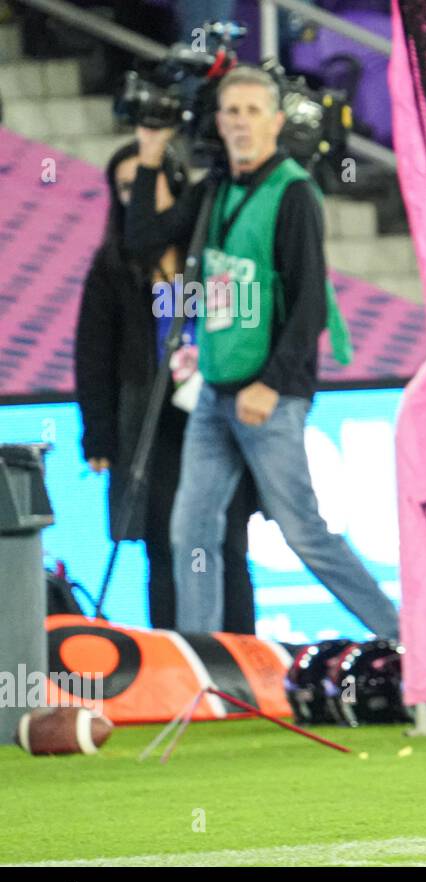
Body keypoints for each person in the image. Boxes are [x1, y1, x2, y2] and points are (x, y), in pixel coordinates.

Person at [124, 65, 398, 641]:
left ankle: (401, 639)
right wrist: (151, 153)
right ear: (218, 122)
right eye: (231, 112)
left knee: (303, 532)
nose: (241, 122)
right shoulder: (215, 190)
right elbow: (143, 241)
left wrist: (270, 384)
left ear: (275, 121)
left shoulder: (293, 191)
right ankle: (203, 662)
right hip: (216, 392)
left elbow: (308, 306)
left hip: (268, 395)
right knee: (190, 532)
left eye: (252, 111)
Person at [75, 141, 258, 634]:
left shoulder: (217, 249)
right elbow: (93, 357)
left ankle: (244, 662)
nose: (139, 195)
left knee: (229, 542)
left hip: (220, 414)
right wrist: (98, 436)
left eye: (148, 182)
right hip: (151, 423)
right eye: (127, 187)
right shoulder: (114, 265)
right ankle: (178, 666)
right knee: (163, 545)